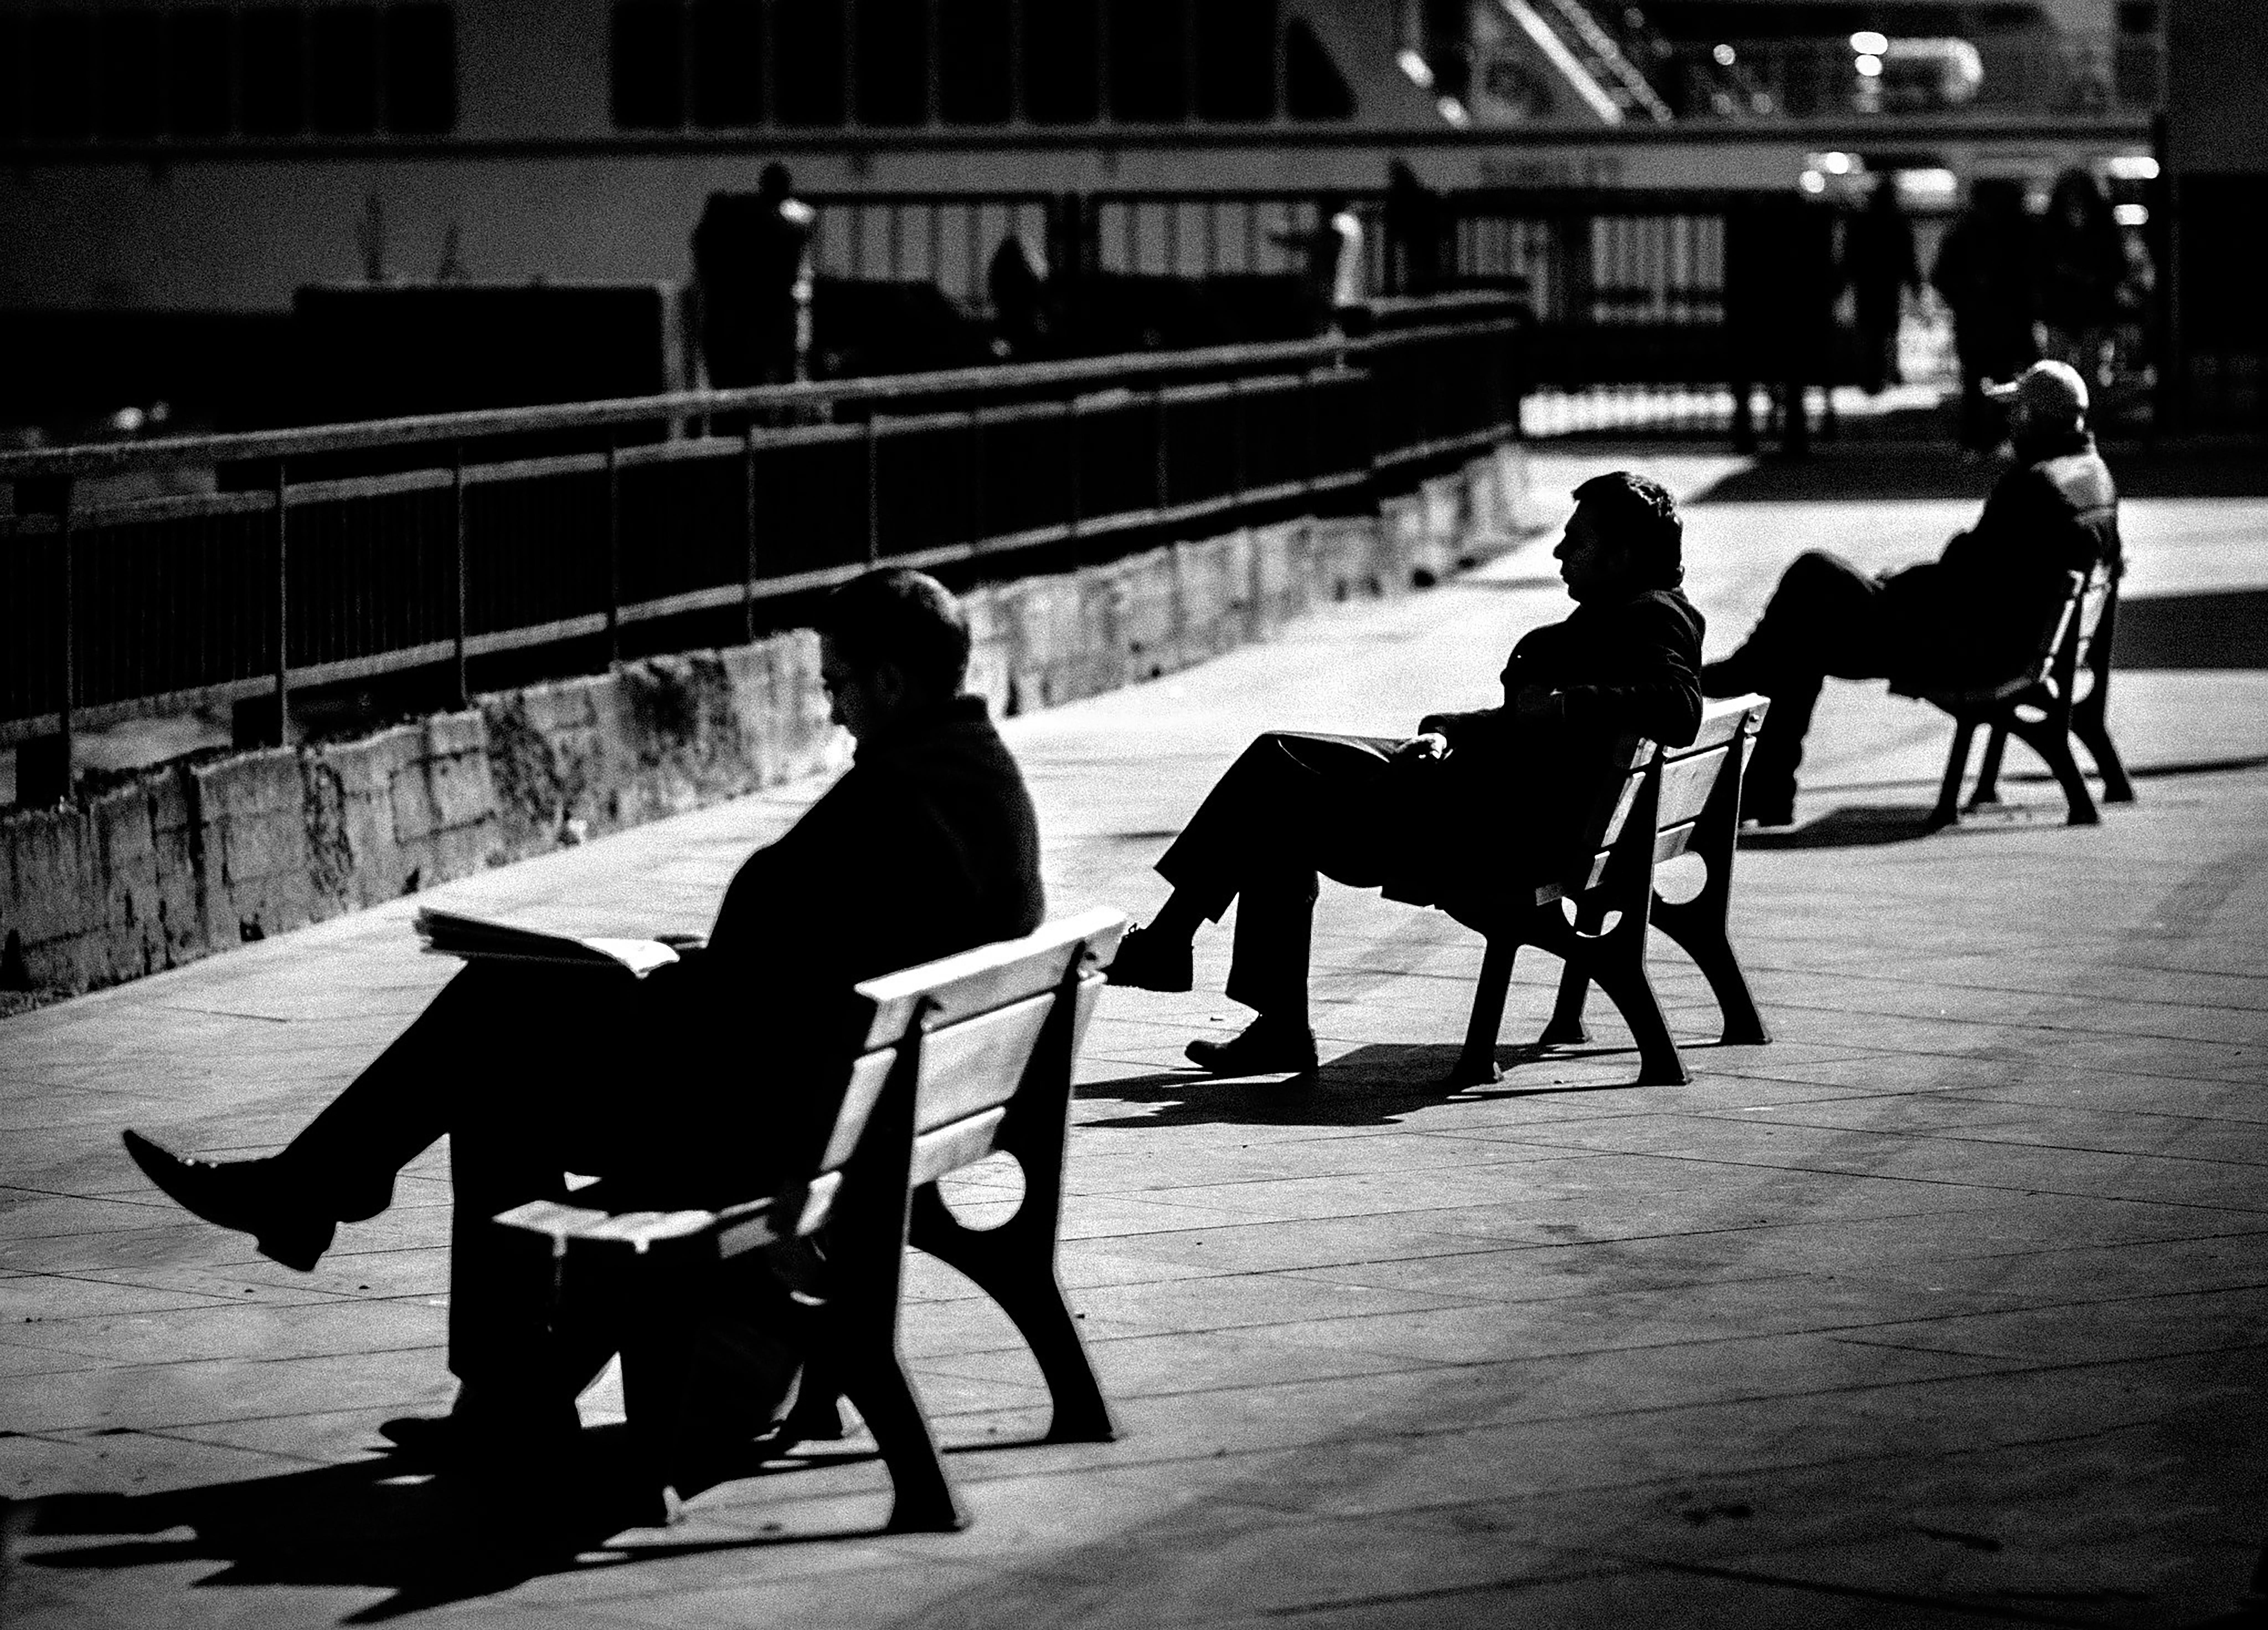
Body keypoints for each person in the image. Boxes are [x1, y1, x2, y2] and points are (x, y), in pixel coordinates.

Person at [121, 568, 1043, 1463]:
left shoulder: (893, 800)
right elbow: (814, 958)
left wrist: (659, 980)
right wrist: (682, 965)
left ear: (890, 679)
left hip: (764, 1128)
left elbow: (753, 992)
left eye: (837, 682)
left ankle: (391, 1270)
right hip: (859, 1110)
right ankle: (364, 1241)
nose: (833, 706)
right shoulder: (980, 783)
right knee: (507, 1015)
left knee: (496, 1034)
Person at [1106, 473, 1703, 1077]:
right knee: (1275, 770)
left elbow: (1678, 706)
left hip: (1479, 839)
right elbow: (1527, 723)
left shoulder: (1651, 617)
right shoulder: (1625, 615)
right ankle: (1197, 966)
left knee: (1272, 787)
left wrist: (1564, 704)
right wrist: (1448, 730)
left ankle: (1185, 957)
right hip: (1476, 804)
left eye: (1576, 541)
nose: (1558, 552)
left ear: (1623, 554)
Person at [1699, 359, 2119, 826]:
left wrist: (1896, 587)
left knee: (1811, 575)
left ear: (2035, 418)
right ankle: (1765, 780)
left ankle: (1752, 716)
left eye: (2016, 411)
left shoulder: (2031, 486)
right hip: (2005, 639)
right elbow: (1978, 573)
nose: (2009, 421)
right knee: (1802, 632)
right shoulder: (2092, 475)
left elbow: (1961, 580)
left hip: (1965, 648)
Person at [1932, 178, 2038, 452]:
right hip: (2003, 320)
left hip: (1975, 320)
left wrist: (1964, 296)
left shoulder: (1962, 232)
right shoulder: (2018, 233)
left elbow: (1941, 276)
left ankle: (1973, 441)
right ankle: (1999, 437)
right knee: (2003, 382)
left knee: (1973, 382)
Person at [693, 163, 816, 388]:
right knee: (775, 378)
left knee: (739, 384)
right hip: (764, 318)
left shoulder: (753, 227)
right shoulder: (786, 229)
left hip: (742, 321)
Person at [2035, 167, 2131, 392]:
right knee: (2074, 372)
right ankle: (2083, 418)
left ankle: (2069, 418)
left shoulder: (2052, 227)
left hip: (2074, 307)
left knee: (2070, 371)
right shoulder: (2101, 227)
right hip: (2076, 307)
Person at [1845, 176, 1921, 394]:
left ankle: (1871, 374)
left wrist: (1844, 281)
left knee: (1870, 331)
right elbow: (1907, 257)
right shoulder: (1897, 223)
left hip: (1868, 283)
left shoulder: (1862, 222)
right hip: (1888, 284)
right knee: (1887, 330)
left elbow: (1851, 256)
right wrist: (1914, 285)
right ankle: (1890, 371)